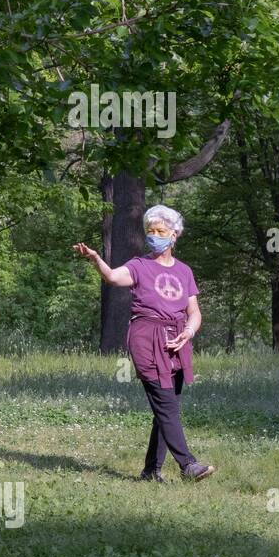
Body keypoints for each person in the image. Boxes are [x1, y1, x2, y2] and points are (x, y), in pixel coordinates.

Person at [74, 204, 215, 482]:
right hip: (146, 338)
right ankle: (188, 465)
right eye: (150, 231)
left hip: (176, 339)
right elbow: (113, 277)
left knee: (167, 405)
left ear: (174, 235)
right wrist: (95, 259)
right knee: (166, 404)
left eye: (160, 231)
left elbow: (194, 311)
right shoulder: (139, 265)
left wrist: (188, 332)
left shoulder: (185, 271)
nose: (154, 236)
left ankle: (151, 471)